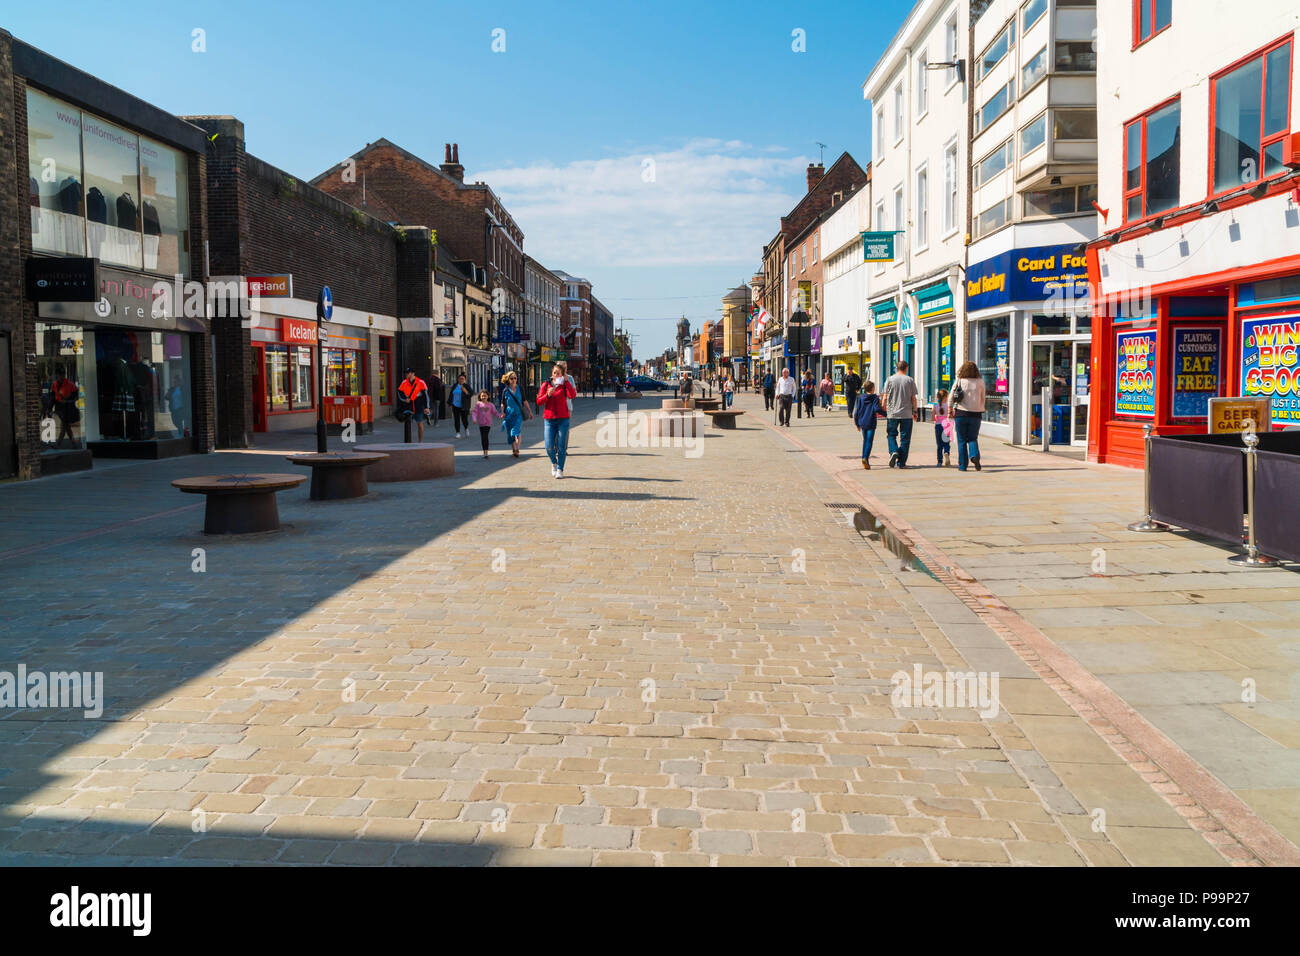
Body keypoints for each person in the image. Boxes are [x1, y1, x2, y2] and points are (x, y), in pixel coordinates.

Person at [537, 361, 577, 478]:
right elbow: (539, 401)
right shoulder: (546, 384)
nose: (556, 375)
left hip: (563, 419)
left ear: (562, 374)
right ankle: (554, 463)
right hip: (549, 419)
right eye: (554, 373)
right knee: (549, 446)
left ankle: (560, 469)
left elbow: (572, 395)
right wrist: (548, 395)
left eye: (559, 373)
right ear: (552, 374)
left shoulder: (565, 384)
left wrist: (566, 382)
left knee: (561, 446)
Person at [951, 360, 987, 472]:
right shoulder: (980, 382)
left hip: (961, 413)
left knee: (961, 440)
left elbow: (951, 395)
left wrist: (949, 409)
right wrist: (980, 407)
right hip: (976, 414)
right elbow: (983, 398)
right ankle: (974, 455)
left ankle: (962, 466)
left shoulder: (960, 380)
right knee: (972, 438)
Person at [883, 360, 918, 468]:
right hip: (907, 414)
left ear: (897, 368)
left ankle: (893, 451)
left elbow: (884, 397)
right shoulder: (910, 380)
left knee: (891, 435)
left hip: (892, 413)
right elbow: (914, 398)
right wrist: (915, 411)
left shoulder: (890, 379)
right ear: (906, 368)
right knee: (905, 438)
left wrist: (884, 408)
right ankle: (901, 463)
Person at [500, 370, 531, 458]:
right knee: (510, 433)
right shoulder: (505, 390)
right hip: (509, 414)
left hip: (518, 413)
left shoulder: (520, 388)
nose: (513, 380)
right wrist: (502, 412)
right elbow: (502, 403)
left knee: (516, 430)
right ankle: (514, 449)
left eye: (515, 378)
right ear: (508, 379)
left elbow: (524, 401)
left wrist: (530, 411)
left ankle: (517, 448)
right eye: (511, 378)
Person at [852, 381, 882, 469]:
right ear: (872, 388)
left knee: (865, 440)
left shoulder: (861, 398)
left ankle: (863, 458)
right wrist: (887, 414)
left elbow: (857, 411)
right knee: (869, 441)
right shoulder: (875, 397)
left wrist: (857, 423)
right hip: (871, 421)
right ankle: (865, 458)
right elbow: (877, 409)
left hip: (862, 422)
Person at [396, 368, 431, 441]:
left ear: (413, 374)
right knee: (407, 424)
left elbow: (425, 395)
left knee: (420, 424)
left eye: (408, 373)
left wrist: (427, 407)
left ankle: (420, 442)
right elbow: (399, 392)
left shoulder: (421, 382)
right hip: (408, 406)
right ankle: (408, 441)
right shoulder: (404, 382)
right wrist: (405, 399)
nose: (406, 374)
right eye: (406, 373)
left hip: (418, 405)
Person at [471, 389, 502, 458]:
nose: (484, 397)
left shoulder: (490, 405)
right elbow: (474, 412)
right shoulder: (478, 404)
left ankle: (486, 452)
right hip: (481, 423)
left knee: (485, 436)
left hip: (488, 423)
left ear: (488, 396)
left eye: (485, 396)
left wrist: (499, 416)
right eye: (482, 396)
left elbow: (495, 412)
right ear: (480, 397)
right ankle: (485, 452)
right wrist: (474, 419)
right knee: (483, 437)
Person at [933, 388, 953, 467]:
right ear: (946, 397)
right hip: (947, 425)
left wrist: (937, 418)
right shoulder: (948, 406)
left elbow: (932, 418)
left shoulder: (935, 406)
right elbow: (952, 415)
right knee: (946, 442)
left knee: (939, 445)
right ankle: (946, 452)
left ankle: (939, 462)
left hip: (938, 426)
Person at [449, 373, 471, 439]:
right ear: (458, 379)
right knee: (456, 419)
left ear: (465, 380)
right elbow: (451, 394)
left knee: (464, 419)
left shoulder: (466, 386)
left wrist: (465, 391)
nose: (461, 380)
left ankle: (466, 428)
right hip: (455, 405)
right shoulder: (455, 386)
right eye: (460, 379)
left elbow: (470, 394)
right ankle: (457, 432)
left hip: (463, 406)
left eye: (462, 379)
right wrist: (449, 402)